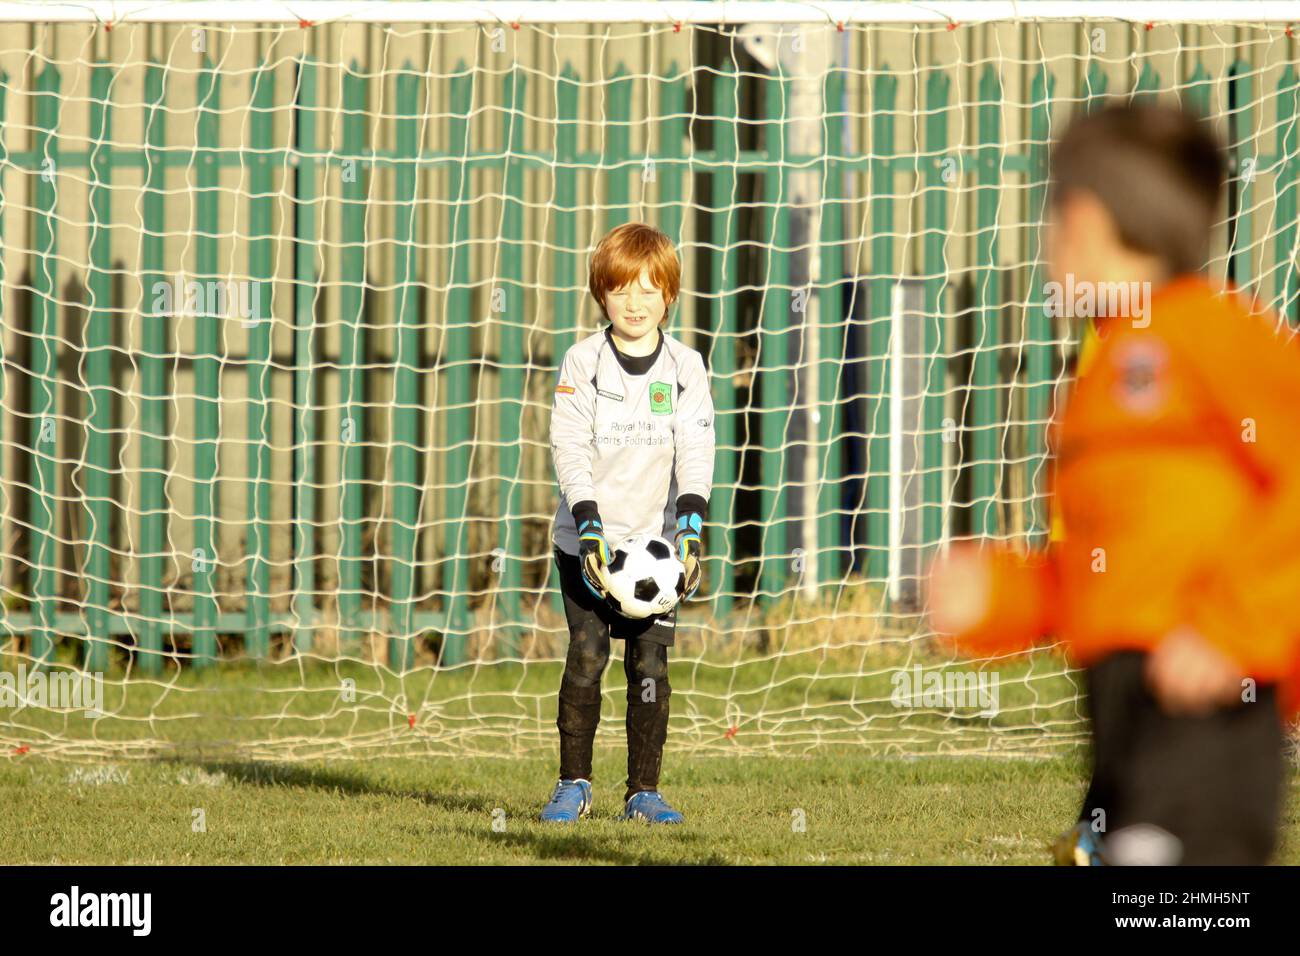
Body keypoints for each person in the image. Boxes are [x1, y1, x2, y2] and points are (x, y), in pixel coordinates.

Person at [928, 102, 1300, 865]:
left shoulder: (1216, 334)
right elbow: (1111, 567)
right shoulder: (1108, 364)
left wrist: (1233, 630)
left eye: (1049, 212)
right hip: (1122, 708)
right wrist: (1000, 599)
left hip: (1208, 707)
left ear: (1087, 221)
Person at [540, 222, 716, 824]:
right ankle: (574, 785)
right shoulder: (582, 361)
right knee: (586, 656)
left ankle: (644, 791)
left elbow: (696, 448)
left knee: (649, 665)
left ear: (669, 294)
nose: (634, 303)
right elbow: (568, 444)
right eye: (620, 290)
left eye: (648, 289)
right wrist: (588, 524)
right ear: (601, 295)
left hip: (659, 554)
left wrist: (690, 525)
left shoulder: (686, 367)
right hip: (586, 546)